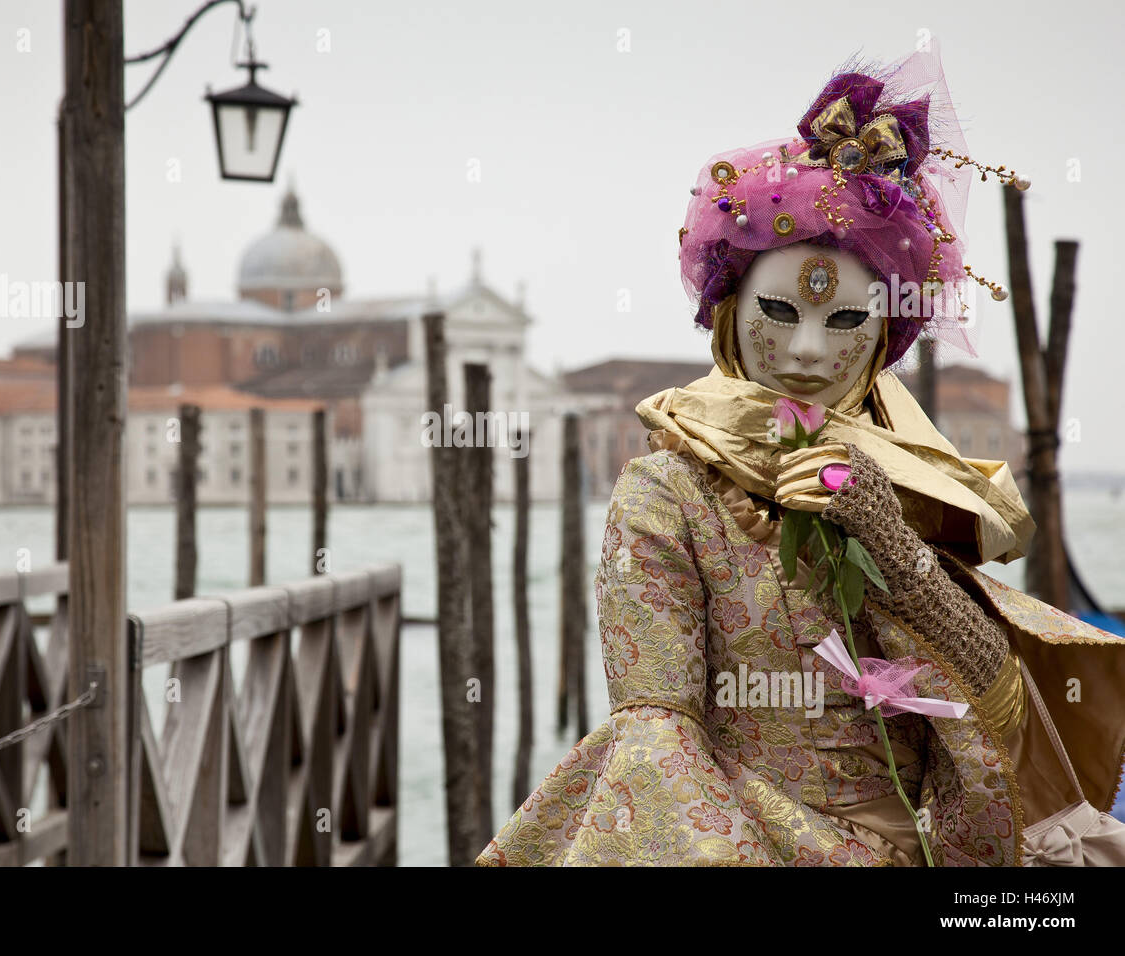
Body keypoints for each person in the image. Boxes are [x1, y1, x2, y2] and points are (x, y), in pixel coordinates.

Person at [477, 46, 1125, 867]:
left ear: (884, 333)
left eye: (845, 322)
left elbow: (998, 705)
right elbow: (657, 729)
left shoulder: (910, 480)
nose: (809, 352)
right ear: (729, 312)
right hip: (732, 840)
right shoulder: (665, 491)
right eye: (779, 311)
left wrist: (889, 541)